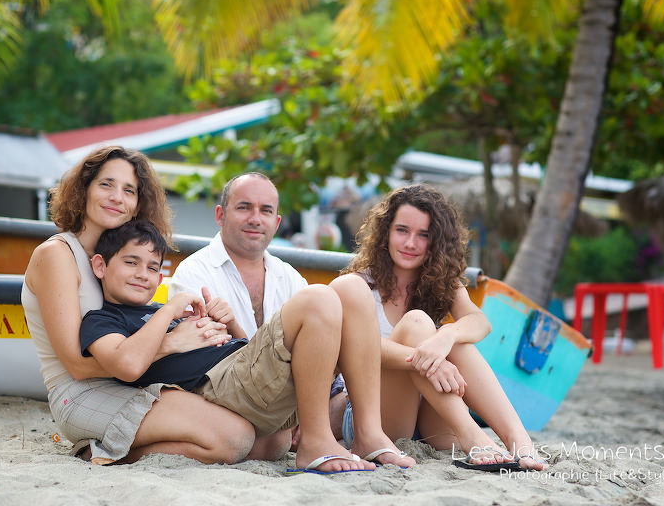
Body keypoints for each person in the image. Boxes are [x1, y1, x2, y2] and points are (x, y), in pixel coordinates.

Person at [80, 219, 415, 473]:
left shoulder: (159, 313)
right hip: (218, 389)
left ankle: (368, 433)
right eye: (131, 262)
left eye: (152, 267)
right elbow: (126, 364)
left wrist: (229, 325)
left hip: (244, 378)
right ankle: (317, 441)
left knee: (354, 290)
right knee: (319, 298)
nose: (143, 274)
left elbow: (243, 349)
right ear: (100, 266)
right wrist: (169, 309)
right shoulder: (103, 319)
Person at [22, 146, 263, 466]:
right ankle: (101, 452)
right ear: (84, 189)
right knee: (234, 438)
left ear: (138, 203)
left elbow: (136, 330)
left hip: (134, 379)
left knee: (268, 444)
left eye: (129, 190)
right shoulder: (57, 254)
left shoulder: (122, 261)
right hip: (80, 394)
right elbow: (77, 366)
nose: (117, 197)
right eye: (106, 184)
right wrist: (170, 344)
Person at [329, 184, 547, 471]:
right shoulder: (358, 286)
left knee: (455, 338)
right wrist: (429, 359)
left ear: (437, 241)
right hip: (373, 418)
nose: (410, 243)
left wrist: (445, 336)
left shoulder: (441, 283)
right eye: (402, 230)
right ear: (385, 233)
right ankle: (474, 436)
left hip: (432, 418)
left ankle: (519, 440)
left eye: (424, 235)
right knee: (418, 323)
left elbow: (480, 322)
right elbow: (355, 347)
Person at [168, 172, 349, 443]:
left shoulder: (289, 277)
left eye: (265, 211)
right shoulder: (194, 272)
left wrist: (311, 411)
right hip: (227, 408)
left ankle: (323, 429)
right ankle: (315, 432)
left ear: (276, 222)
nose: (255, 219)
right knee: (326, 296)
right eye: (244, 207)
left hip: (289, 405)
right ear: (220, 215)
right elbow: (203, 367)